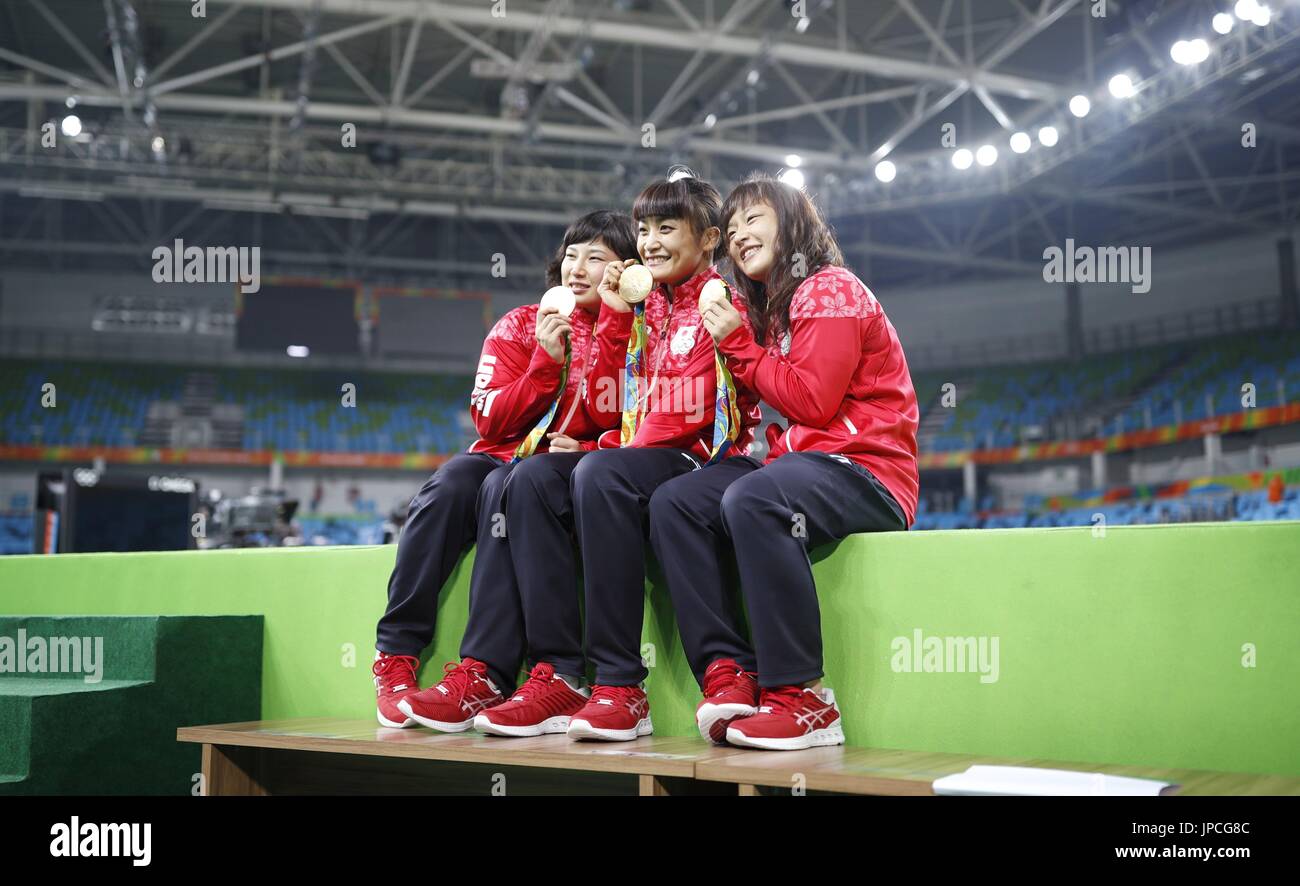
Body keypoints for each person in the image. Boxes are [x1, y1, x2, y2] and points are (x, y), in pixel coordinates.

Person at [648, 174, 919, 750]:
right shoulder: (774, 307)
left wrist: (740, 349)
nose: (741, 234)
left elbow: (814, 400)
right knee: (677, 502)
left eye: (756, 219)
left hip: (867, 472)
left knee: (754, 496)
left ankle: (804, 698)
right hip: (804, 466)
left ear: (793, 224)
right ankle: (729, 676)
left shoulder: (830, 289)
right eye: (736, 224)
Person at [371, 209, 637, 729]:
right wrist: (543, 363)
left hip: (557, 472)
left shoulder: (633, 331)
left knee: (506, 487)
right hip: (502, 454)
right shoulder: (519, 325)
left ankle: (489, 675)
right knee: (447, 486)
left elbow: (620, 415)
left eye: (596, 258)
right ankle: (396, 655)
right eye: (571, 256)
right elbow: (489, 419)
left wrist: (614, 326)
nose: (577, 268)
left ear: (622, 271)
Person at [548, 169, 761, 741]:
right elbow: (609, 398)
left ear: (709, 238)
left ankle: (646, 682)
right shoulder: (648, 308)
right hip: (662, 459)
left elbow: (685, 412)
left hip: (720, 458)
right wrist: (617, 314)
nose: (650, 242)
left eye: (668, 227)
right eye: (644, 229)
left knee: (601, 472)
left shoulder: (724, 301)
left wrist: (605, 449)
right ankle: (590, 684)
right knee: (550, 476)